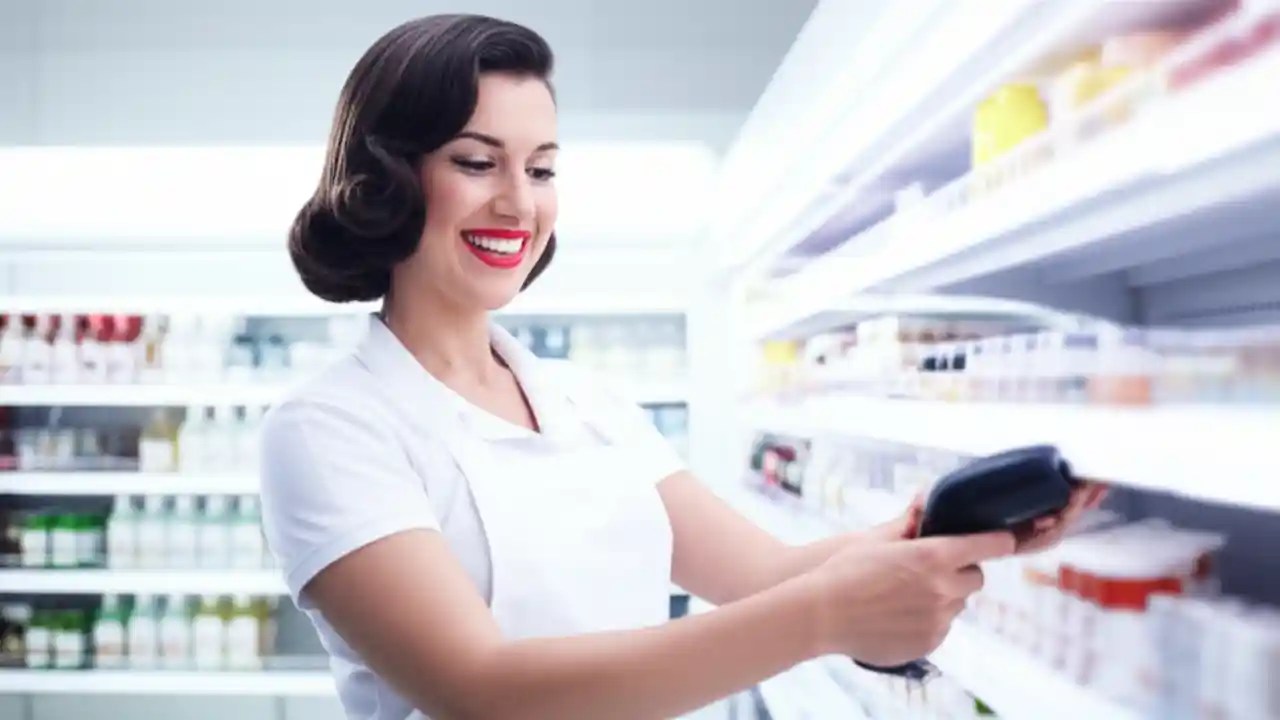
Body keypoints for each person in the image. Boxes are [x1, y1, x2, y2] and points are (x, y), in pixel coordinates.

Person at [259, 13, 1107, 720]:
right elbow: (480, 690)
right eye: (477, 162)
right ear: (385, 180)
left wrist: (938, 533)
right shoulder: (330, 428)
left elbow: (762, 576)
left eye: (543, 167)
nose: (519, 201)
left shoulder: (585, 401)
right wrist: (824, 616)